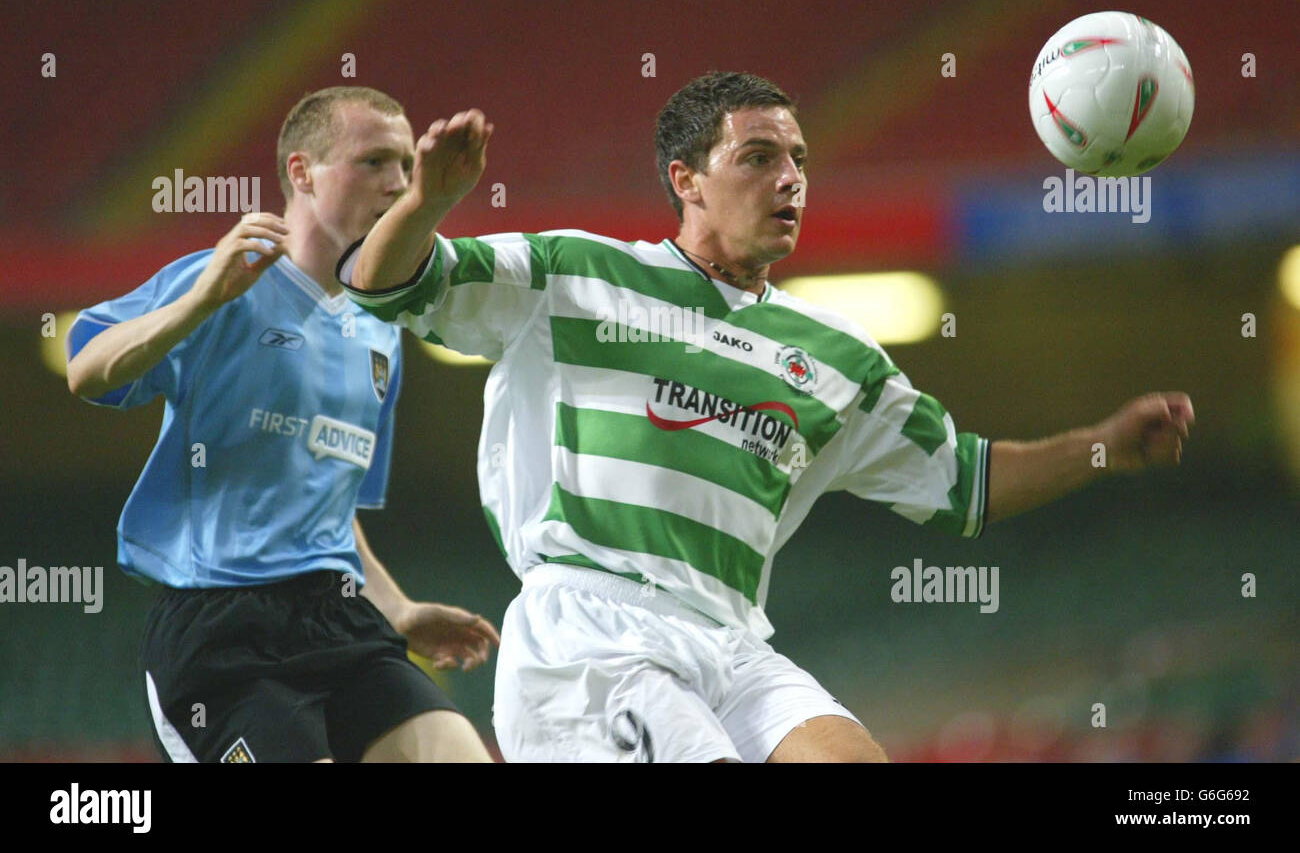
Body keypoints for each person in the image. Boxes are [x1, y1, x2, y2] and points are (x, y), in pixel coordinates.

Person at [338, 71, 1194, 763]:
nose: (789, 177)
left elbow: (962, 481)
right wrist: (426, 203)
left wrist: (1102, 451)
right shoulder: (574, 274)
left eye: (798, 159)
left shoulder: (838, 355)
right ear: (688, 181)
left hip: (733, 641)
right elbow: (384, 282)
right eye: (756, 157)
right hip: (592, 634)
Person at [66, 86, 499, 763]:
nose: (396, 183)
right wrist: (203, 299)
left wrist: (398, 609)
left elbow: (329, 500)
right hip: (221, 632)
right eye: (374, 162)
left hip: (339, 619)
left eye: (406, 169)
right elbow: (88, 370)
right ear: (301, 172)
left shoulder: (379, 327)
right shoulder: (225, 279)